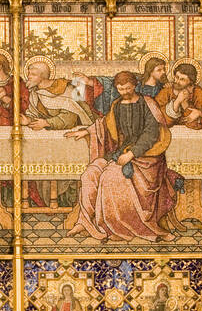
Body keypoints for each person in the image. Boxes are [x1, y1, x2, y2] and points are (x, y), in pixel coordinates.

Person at [65, 70, 181, 241]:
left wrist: (132, 154)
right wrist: (87, 132)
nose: (124, 92)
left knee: (109, 176)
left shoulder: (147, 103)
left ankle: (112, 227)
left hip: (147, 157)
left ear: (135, 85)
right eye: (120, 89)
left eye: (127, 88)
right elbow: (105, 124)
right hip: (122, 152)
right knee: (90, 173)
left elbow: (151, 133)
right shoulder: (117, 104)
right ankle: (85, 221)